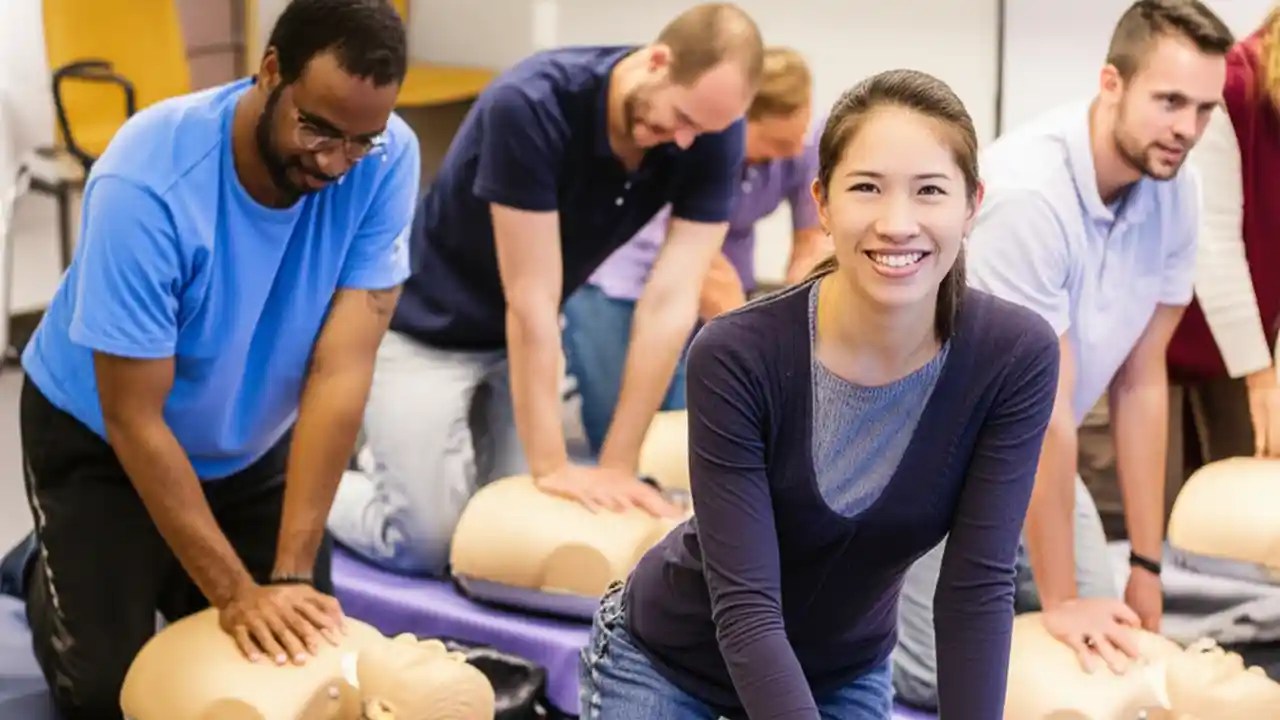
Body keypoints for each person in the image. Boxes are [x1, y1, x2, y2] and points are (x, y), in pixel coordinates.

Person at [578, 68, 1062, 719]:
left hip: (842, 671)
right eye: (866, 188)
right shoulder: (737, 354)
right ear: (823, 204)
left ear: (972, 204)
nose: (898, 223)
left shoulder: (1015, 357)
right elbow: (747, 610)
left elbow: (975, 588)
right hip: (671, 663)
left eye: (930, 191)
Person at [0, 0, 417, 716]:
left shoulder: (385, 157)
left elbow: (341, 371)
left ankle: (158, 564)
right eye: (315, 127)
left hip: (246, 440)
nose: (334, 162)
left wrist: (286, 574)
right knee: (107, 692)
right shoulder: (146, 181)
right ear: (270, 71)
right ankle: (51, 558)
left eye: (359, 141)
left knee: (306, 660)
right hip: (100, 437)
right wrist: (232, 590)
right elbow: (134, 419)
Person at [326, 3, 764, 576]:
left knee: (499, 542)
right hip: (423, 331)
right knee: (431, 543)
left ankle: (407, 459)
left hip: (518, 346)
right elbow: (530, 297)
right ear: (657, 61)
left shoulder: (710, 130)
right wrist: (553, 465)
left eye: (701, 131)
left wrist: (617, 464)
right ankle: (308, 480)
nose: (684, 142)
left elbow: (669, 303)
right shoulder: (533, 103)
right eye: (679, 118)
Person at [892, 0, 1234, 710]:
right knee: (943, 676)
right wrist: (1060, 600)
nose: (1188, 129)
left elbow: (1143, 383)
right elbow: (1042, 413)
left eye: (1204, 109)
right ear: (1111, 83)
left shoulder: (1180, 190)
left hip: (1034, 449)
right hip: (929, 453)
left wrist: (1146, 562)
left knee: (1106, 645)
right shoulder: (1029, 195)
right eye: (1170, 101)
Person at [561, 45, 827, 455]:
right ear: (738, 122)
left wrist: (802, 318)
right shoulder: (694, 144)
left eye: (797, 138)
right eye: (776, 141)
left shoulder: (799, 145)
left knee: (697, 427)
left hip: (723, 280)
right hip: (624, 279)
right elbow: (695, 262)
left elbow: (811, 239)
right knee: (622, 430)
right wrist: (757, 337)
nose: (791, 153)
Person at [1166, 6, 1280, 482]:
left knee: (1246, 478)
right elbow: (1211, 242)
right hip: (1167, 323)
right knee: (1152, 497)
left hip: (1248, 333)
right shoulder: (1230, 85)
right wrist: (1259, 373)